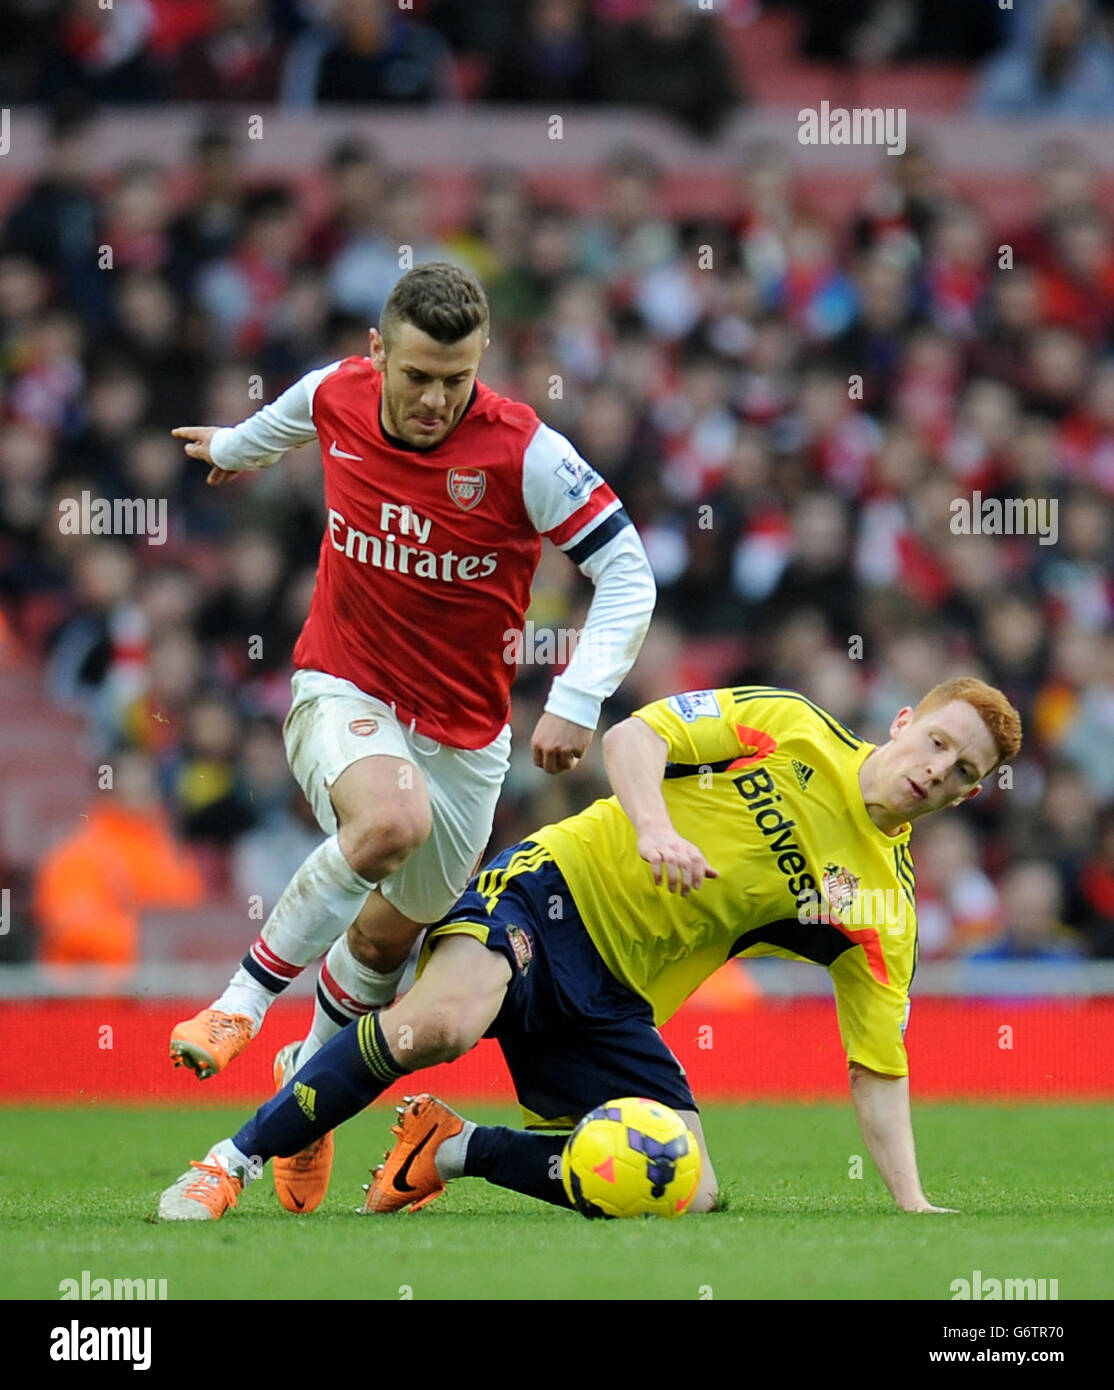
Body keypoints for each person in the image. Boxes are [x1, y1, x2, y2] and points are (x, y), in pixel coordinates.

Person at [158, 676, 1021, 1221]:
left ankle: (450, 1148)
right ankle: (225, 1164)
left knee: (689, 1185)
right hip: (550, 892)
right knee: (440, 1027)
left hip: (613, 997)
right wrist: (652, 825)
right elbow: (633, 737)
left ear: (968, 797)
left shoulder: (883, 909)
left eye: (962, 774)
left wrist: (912, 1204)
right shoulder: (792, 726)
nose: (937, 772)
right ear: (907, 720)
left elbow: (878, 1063)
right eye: (939, 743)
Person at [166, 262, 655, 1214]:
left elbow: (628, 570)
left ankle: (301, 1096)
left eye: (457, 379)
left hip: (468, 737)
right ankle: (238, 1005)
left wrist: (579, 696)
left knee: (390, 938)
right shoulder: (338, 392)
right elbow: (285, 420)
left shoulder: (526, 453)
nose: (436, 399)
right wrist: (233, 444)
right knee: (388, 820)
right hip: (341, 682)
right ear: (378, 353)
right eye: (418, 375)